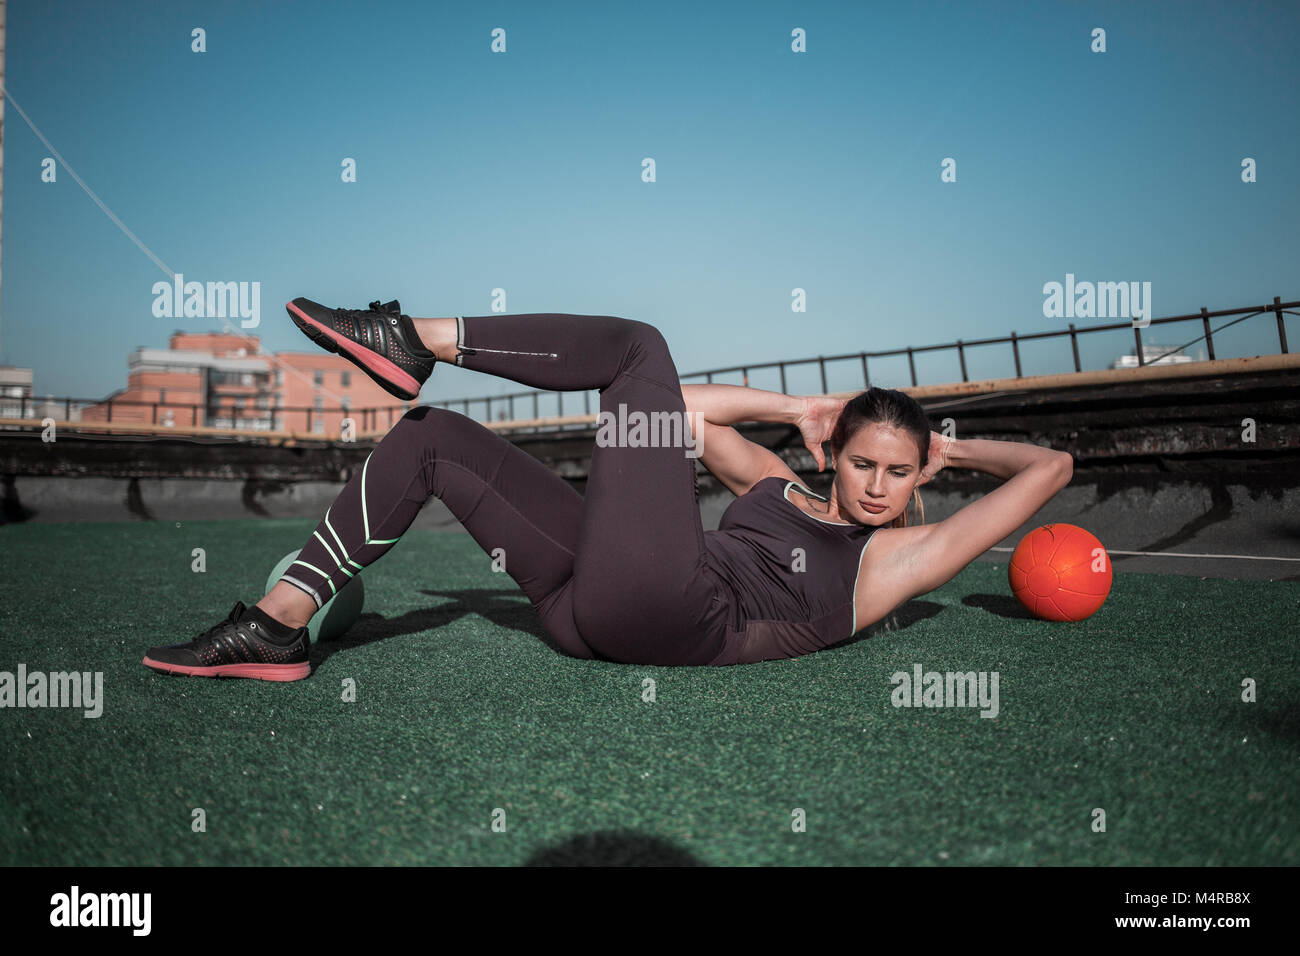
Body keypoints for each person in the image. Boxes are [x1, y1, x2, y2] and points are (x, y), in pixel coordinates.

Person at [142, 301, 1073, 680]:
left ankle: (415, 337)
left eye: (896, 471)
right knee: (435, 438)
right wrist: (793, 406)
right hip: (582, 607)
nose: (875, 485)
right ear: (836, 456)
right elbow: (682, 416)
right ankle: (274, 625)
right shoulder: (780, 484)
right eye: (863, 462)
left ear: (918, 478)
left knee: (637, 348)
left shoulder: (900, 555)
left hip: (677, 615)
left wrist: (951, 452)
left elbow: (1052, 471)